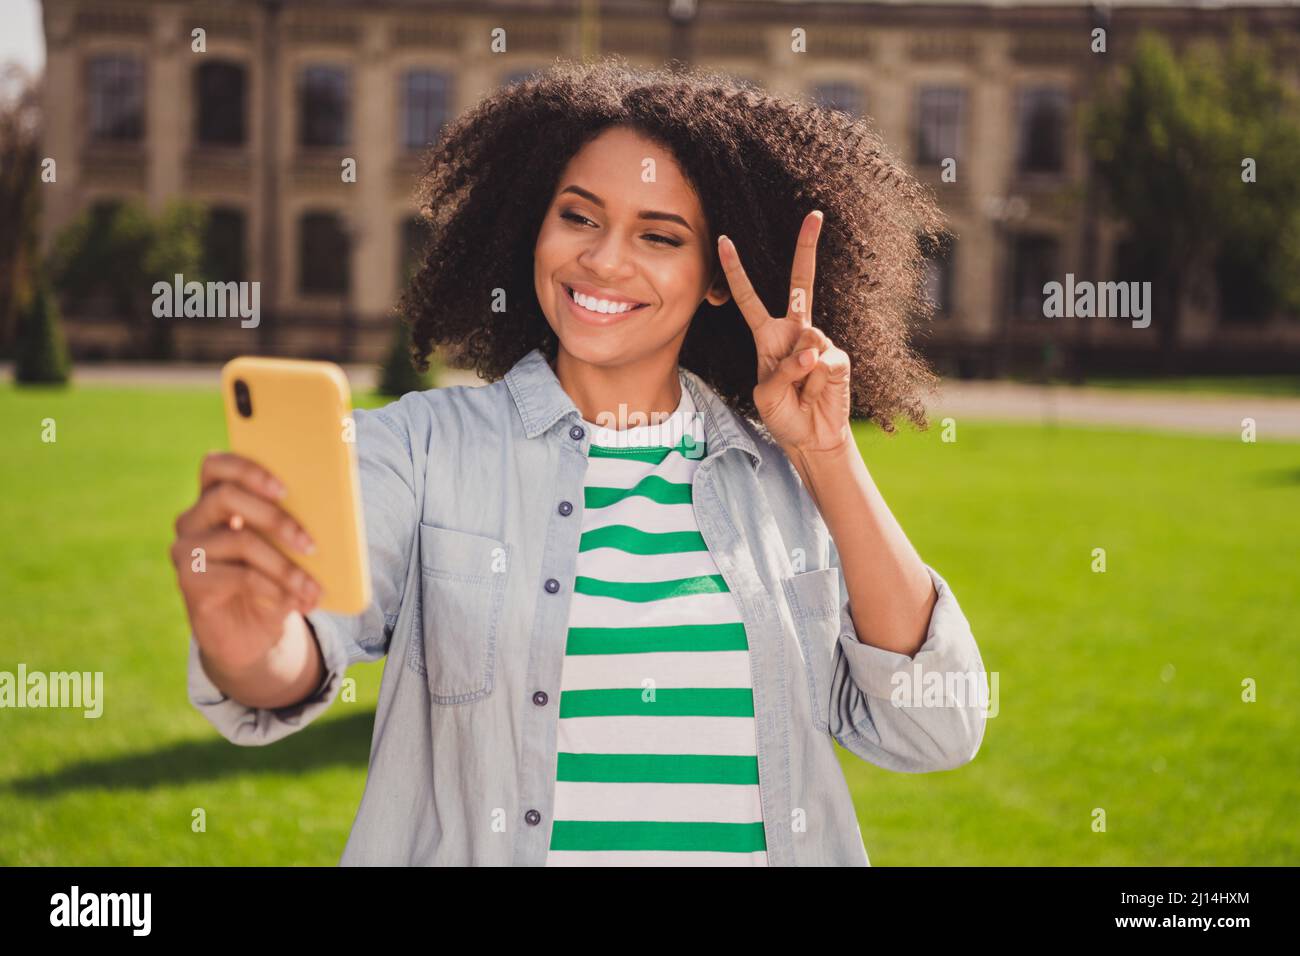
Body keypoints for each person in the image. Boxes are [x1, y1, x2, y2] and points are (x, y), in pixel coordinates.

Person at [171, 58, 987, 866]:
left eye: (659, 236)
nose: (603, 260)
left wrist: (829, 456)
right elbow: (296, 652)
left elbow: (937, 723)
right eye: (579, 217)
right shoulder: (420, 449)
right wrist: (247, 644)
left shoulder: (786, 478)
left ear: (714, 279)